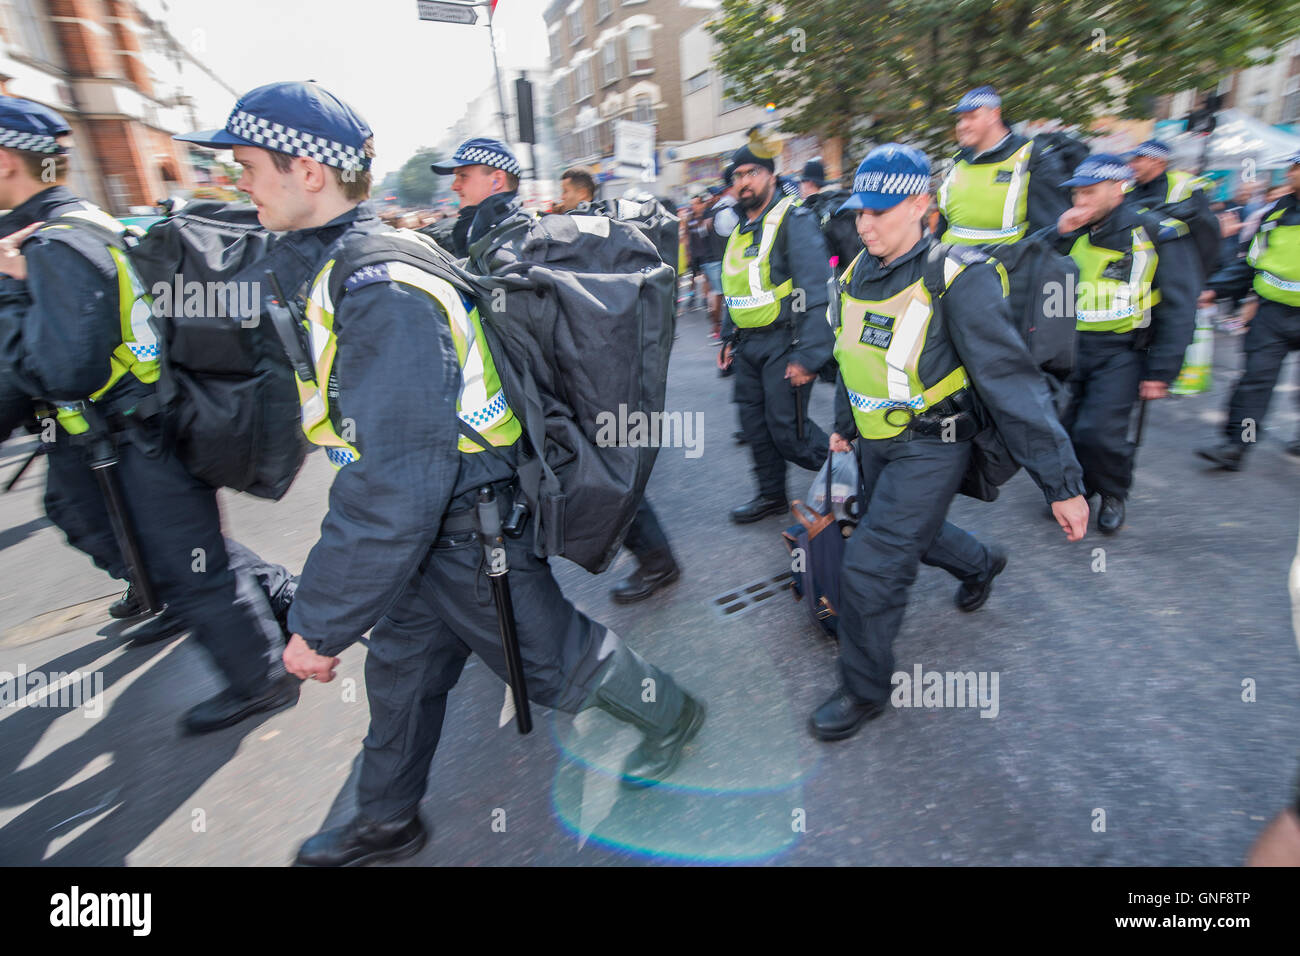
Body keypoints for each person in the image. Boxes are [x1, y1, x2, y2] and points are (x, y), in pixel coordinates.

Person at [175, 81, 705, 866]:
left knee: (561, 659)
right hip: (440, 530)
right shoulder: (350, 263)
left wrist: (317, 624)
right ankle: (386, 818)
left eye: (248, 165)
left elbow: (396, 487)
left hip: (464, 533)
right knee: (401, 676)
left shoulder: (380, 289)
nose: (239, 183)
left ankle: (673, 717)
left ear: (307, 172)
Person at [0, 94, 295, 732]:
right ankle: (213, 601)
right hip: (117, 430)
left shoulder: (50, 242)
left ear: (6, 163)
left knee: (192, 561)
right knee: (115, 530)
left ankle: (260, 676)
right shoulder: (65, 226)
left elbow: (64, 368)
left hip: (136, 430)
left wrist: (12, 288)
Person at [812, 143, 1089, 741]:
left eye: (880, 212)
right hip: (874, 442)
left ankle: (863, 691)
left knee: (871, 567)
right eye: (860, 211)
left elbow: (1012, 383)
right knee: (917, 531)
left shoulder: (958, 276)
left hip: (932, 447)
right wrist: (843, 423)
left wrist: (1062, 485)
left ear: (921, 205)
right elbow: (850, 354)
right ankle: (983, 563)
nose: (865, 224)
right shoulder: (856, 271)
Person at [1046, 154, 1199, 532]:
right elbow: (1028, 263)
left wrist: (1162, 370)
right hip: (1071, 347)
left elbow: (1180, 306)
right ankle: (1077, 491)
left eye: (1089, 193)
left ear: (1119, 190)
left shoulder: (1155, 233)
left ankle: (1113, 492)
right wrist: (1057, 232)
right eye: (1076, 193)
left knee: (1099, 431)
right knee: (1064, 428)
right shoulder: (1073, 230)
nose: (1079, 202)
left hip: (1123, 351)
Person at [717, 143, 834, 523]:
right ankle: (770, 496)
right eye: (738, 175)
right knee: (755, 427)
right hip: (749, 346)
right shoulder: (740, 228)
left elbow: (814, 290)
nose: (743, 181)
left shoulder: (792, 219)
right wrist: (728, 337)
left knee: (790, 432)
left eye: (752, 173)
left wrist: (809, 355)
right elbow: (736, 288)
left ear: (771, 176)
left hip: (786, 340)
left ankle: (856, 478)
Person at [1197, 152, 1300, 466]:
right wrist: (1215, 290)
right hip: (1272, 314)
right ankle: (1238, 445)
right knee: (1255, 382)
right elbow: (1251, 264)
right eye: (1293, 168)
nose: (1293, 173)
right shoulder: (1275, 213)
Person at [936, 86, 1072, 246]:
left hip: (1006, 267)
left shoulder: (1030, 157)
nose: (962, 126)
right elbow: (943, 225)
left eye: (972, 117)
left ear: (994, 115)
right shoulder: (958, 161)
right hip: (952, 265)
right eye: (960, 119)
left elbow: (1048, 230)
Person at [1124, 138, 1218, 280]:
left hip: (1172, 272)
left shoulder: (1184, 184)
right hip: (1137, 271)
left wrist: (1198, 280)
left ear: (1158, 161)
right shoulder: (1129, 189)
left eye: (1138, 160)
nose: (1131, 165)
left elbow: (1207, 233)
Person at [430, 137, 529, 258]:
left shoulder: (517, 238)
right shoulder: (480, 228)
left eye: (463, 176)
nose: (454, 186)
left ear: (497, 180)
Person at [796, 157, 863, 278]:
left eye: (801, 182)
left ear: (808, 183)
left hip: (832, 282)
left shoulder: (816, 211)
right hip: (848, 277)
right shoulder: (840, 202)